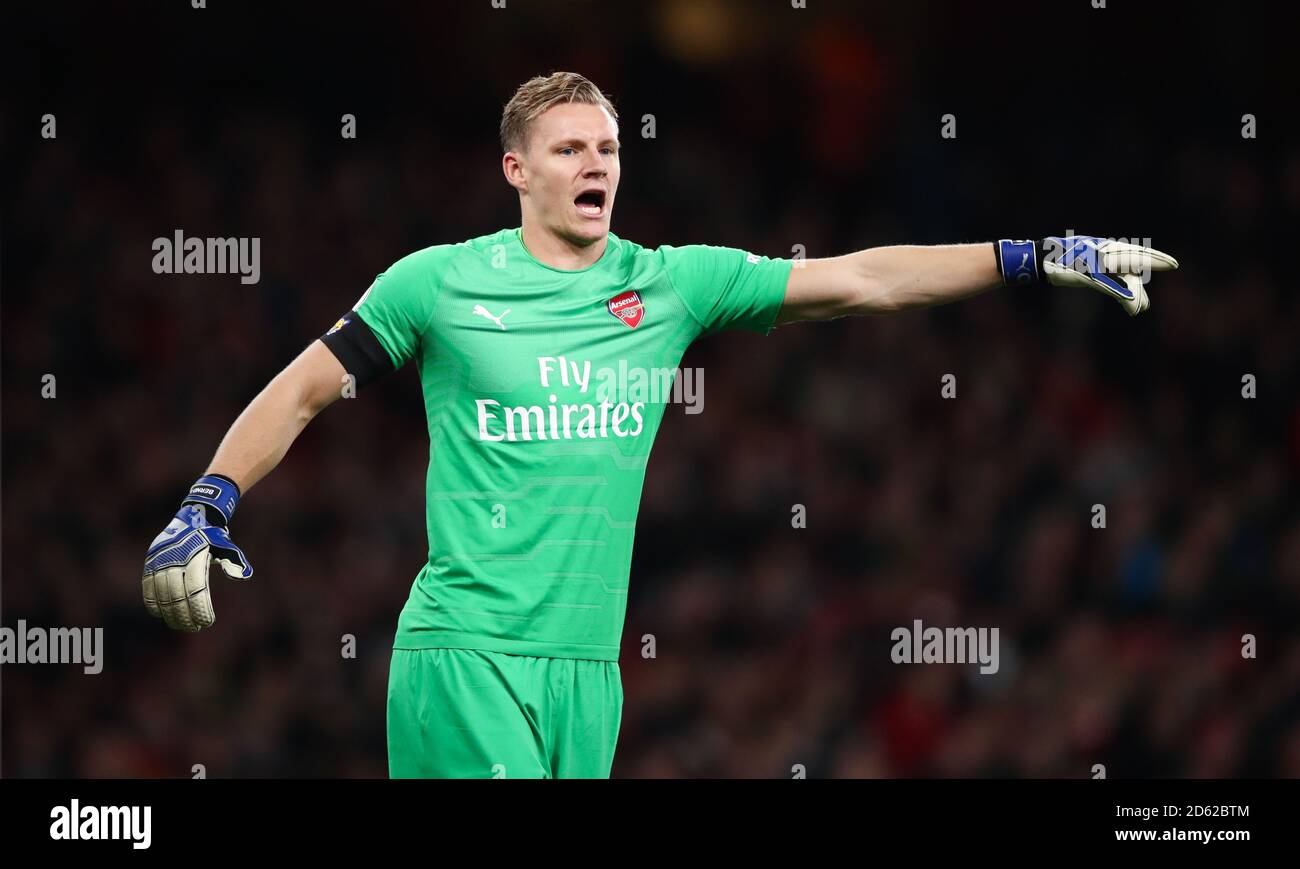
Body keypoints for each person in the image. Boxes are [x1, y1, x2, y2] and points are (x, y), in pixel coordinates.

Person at [142, 71, 1178, 778]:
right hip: (465, 653)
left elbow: (864, 279)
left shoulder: (673, 283)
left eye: (609, 145)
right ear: (517, 170)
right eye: (569, 148)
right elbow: (302, 388)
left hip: (590, 674)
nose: (598, 162)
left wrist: (1030, 252)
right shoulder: (440, 282)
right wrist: (208, 498)